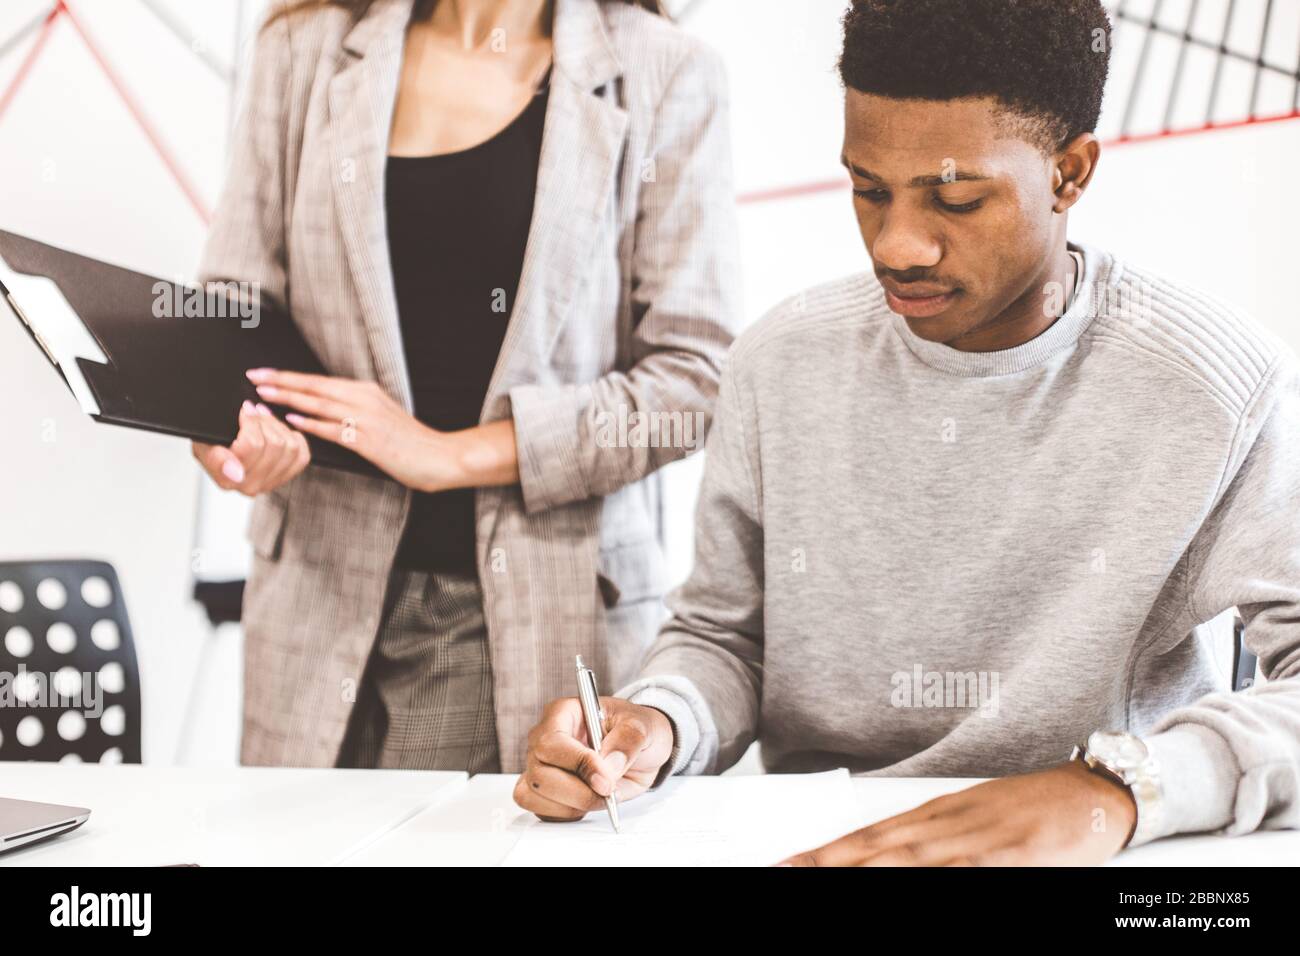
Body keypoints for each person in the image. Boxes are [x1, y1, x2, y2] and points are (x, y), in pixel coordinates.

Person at [514, 0, 1300, 865]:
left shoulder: (1215, 383)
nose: (897, 247)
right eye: (868, 189)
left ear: (1070, 173)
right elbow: (721, 638)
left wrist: (1120, 789)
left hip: (1107, 855)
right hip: (822, 845)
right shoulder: (781, 361)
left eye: (955, 198)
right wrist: (657, 720)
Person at [193, 0, 739, 772]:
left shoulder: (668, 72)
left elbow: (692, 382)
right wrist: (227, 427)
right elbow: (232, 310)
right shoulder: (302, 49)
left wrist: (447, 454)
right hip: (313, 606)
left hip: (526, 606)